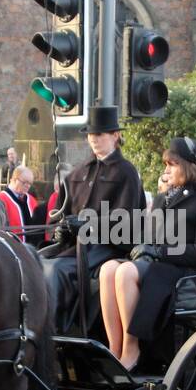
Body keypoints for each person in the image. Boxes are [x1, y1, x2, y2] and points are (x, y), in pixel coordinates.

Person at [100, 137, 196, 371]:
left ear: (188, 166)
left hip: (184, 272)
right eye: (166, 164)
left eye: (172, 164)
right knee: (108, 269)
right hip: (156, 265)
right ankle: (114, 349)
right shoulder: (162, 199)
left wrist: (159, 251)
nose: (166, 170)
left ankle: (132, 348)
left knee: (125, 271)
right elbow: (150, 238)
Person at [39, 106, 144, 335]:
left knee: (55, 269)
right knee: (35, 260)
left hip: (107, 249)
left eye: (100, 134)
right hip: (72, 246)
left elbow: (126, 224)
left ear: (115, 136)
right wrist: (61, 229)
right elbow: (60, 212)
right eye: (90, 135)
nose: (94, 139)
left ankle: (52, 333)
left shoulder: (126, 173)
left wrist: (88, 226)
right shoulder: (77, 173)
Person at [1, 165, 43, 246]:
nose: (27, 186)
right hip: (12, 248)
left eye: (30, 183)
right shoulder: (1, 199)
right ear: (14, 179)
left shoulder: (31, 200)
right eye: (25, 182)